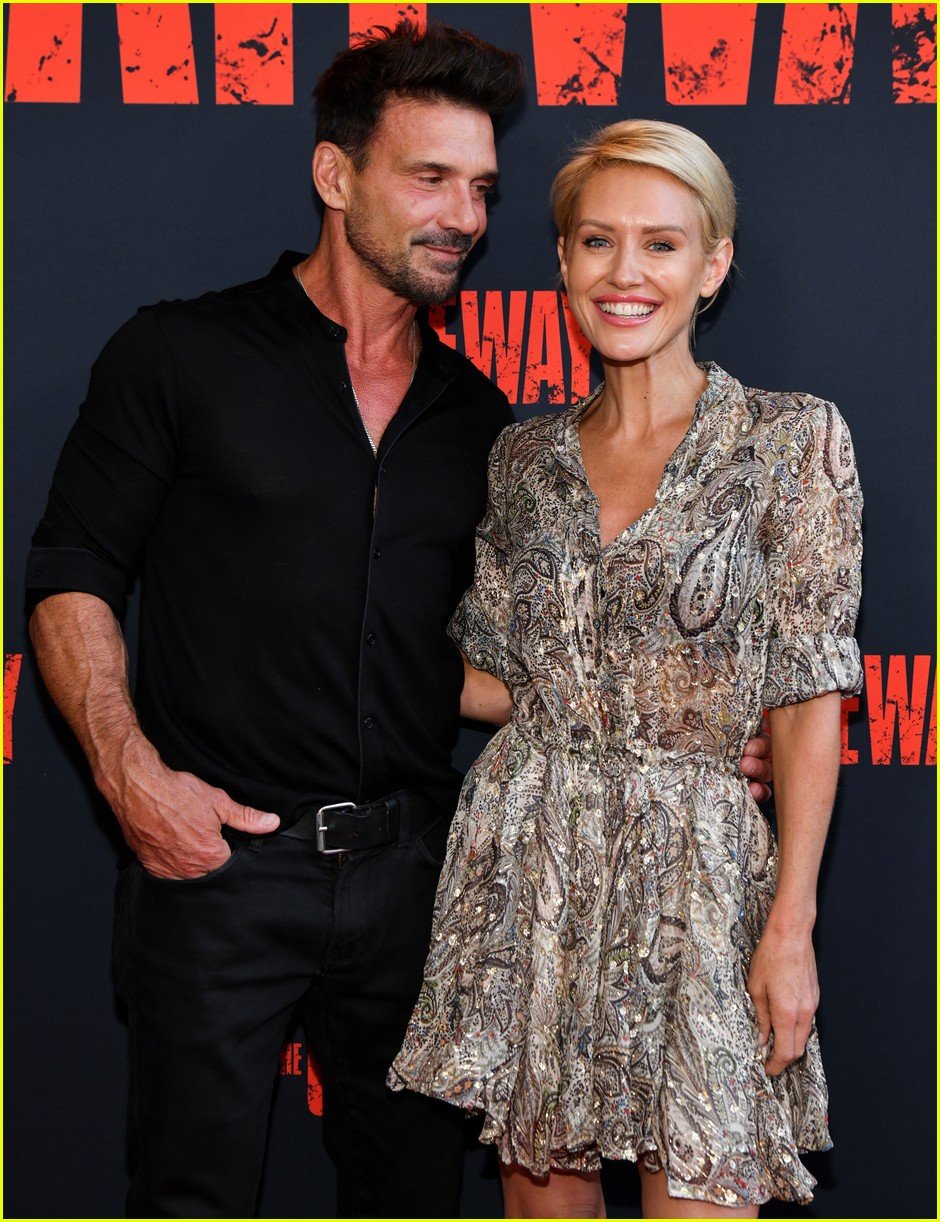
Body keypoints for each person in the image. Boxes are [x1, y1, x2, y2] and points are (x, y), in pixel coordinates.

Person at [24, 21, 771, 1217]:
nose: (463, 216)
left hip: (420, 885)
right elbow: (72, 570)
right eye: (429, 178)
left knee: (414, 1199)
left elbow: (502, 661)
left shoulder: (482, 422)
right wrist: (128, 773)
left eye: (480, 188)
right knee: (188, 1196)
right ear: (336, 176)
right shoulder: (180, 353)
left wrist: (676, 728)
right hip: (219, 869)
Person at [390, 119, 862, 1220]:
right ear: (562, 261)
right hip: (531, 863)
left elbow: (806, 694)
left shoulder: (789, 442)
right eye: (598, 241)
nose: (625, 273)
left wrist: (789, 927)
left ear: (713, 264)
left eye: (661, 243)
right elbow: (497, 674)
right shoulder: (522, 459)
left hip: (704, 878)